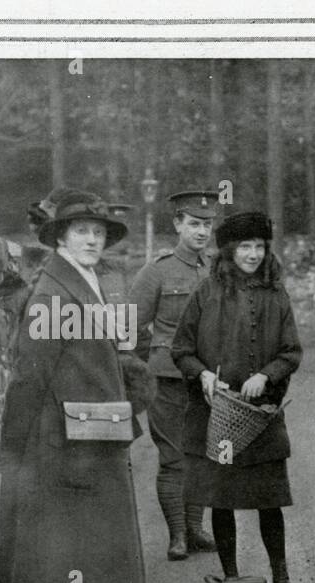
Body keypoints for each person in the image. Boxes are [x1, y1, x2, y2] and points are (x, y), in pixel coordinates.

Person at [0, 190, 161, 583]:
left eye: (98, 232)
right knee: (84, 556)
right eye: (81, 231)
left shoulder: (81, 281)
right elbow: (28, 376)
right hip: (68, 446)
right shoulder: (54, 291)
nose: (91, 239)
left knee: (61, 559)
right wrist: (13, 450)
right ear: (60, 238)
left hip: (88, 437)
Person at [171, 210, 313, 583]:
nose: (252, 254)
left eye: (259, 246)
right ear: (229, 250)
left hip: (261, 416)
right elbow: (180, 349)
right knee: (222, 500)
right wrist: (201, 375)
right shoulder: (206, 292)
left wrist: (267, 376)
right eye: (245, 246)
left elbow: (291, 352)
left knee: (270, 501)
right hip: (215, 417)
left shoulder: (276, 293)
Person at [131, 190, 221, 560]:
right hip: (168, 380)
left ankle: (197, 529)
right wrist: (152, 362)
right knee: (173, 457)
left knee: (200, 455)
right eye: (195, 224)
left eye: (208, 224)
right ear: (178, 224)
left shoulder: (216, 270)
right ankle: (177, 536)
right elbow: (131, 325)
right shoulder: (157, 271)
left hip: (209, 381)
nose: (202, 232)